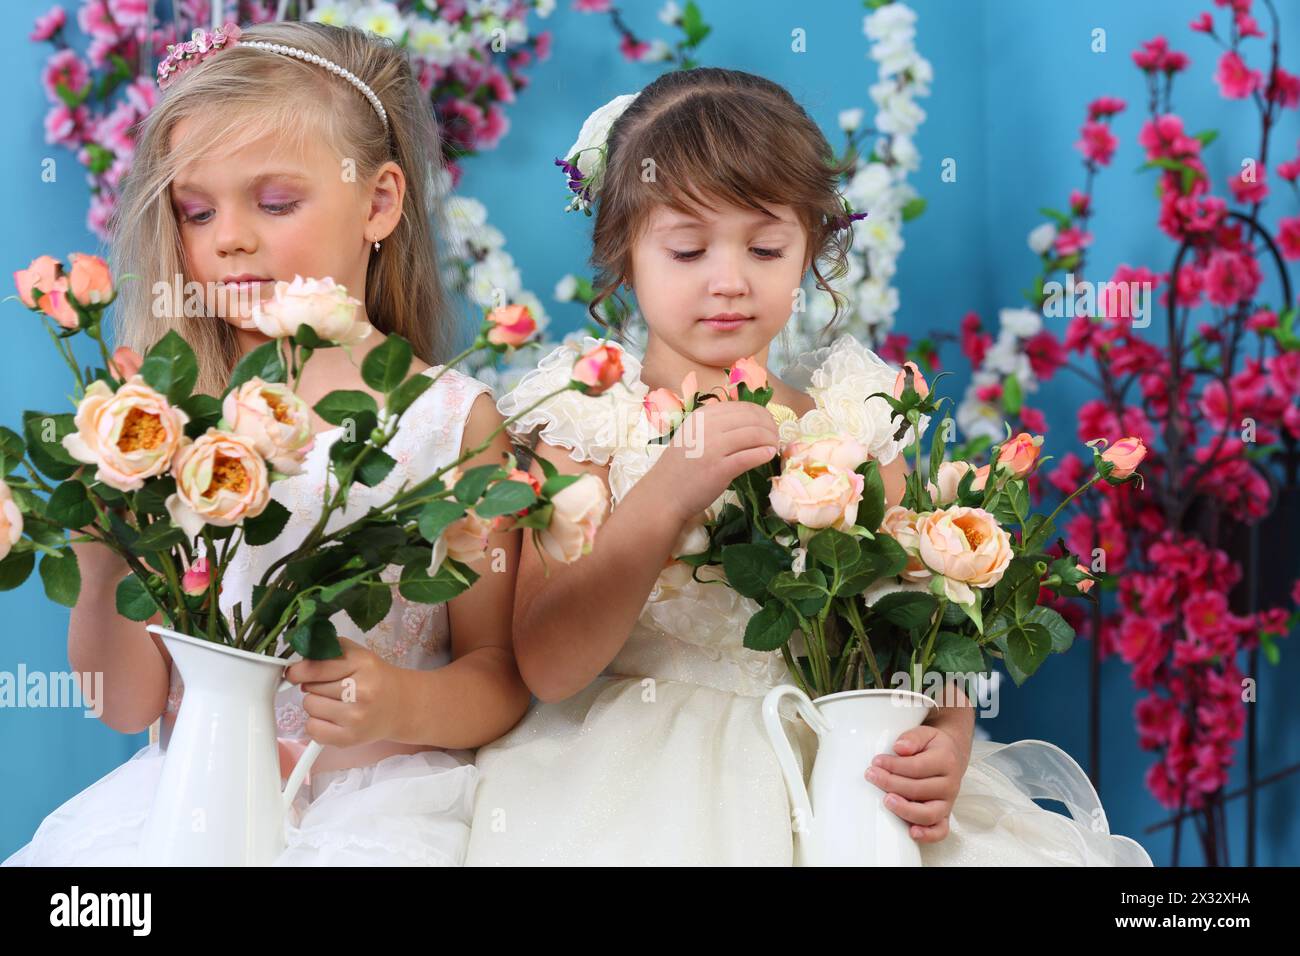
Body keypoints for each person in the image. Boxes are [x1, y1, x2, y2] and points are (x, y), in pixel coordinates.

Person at [465, 67, 1154, 866]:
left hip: (846, 770)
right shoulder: (590, 421)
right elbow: (548, 666)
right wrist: (660, 499)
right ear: (623, 247)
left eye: (764, 246)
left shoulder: (851, 417)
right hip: (641, 776)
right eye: (687, 248)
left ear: (812, 249)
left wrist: (950, 733)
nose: (729, 281)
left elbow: (927, 620)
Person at [5, 20, 528, 867]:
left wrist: (400, 703)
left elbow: (501, 672)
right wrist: (101, 557)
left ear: (380, 201)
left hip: (376, 812)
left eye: (275, 202)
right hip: (184, 804)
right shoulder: (166, 417)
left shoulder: (450, 420)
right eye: (197, 210)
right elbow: (125, 705)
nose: (229, 238)